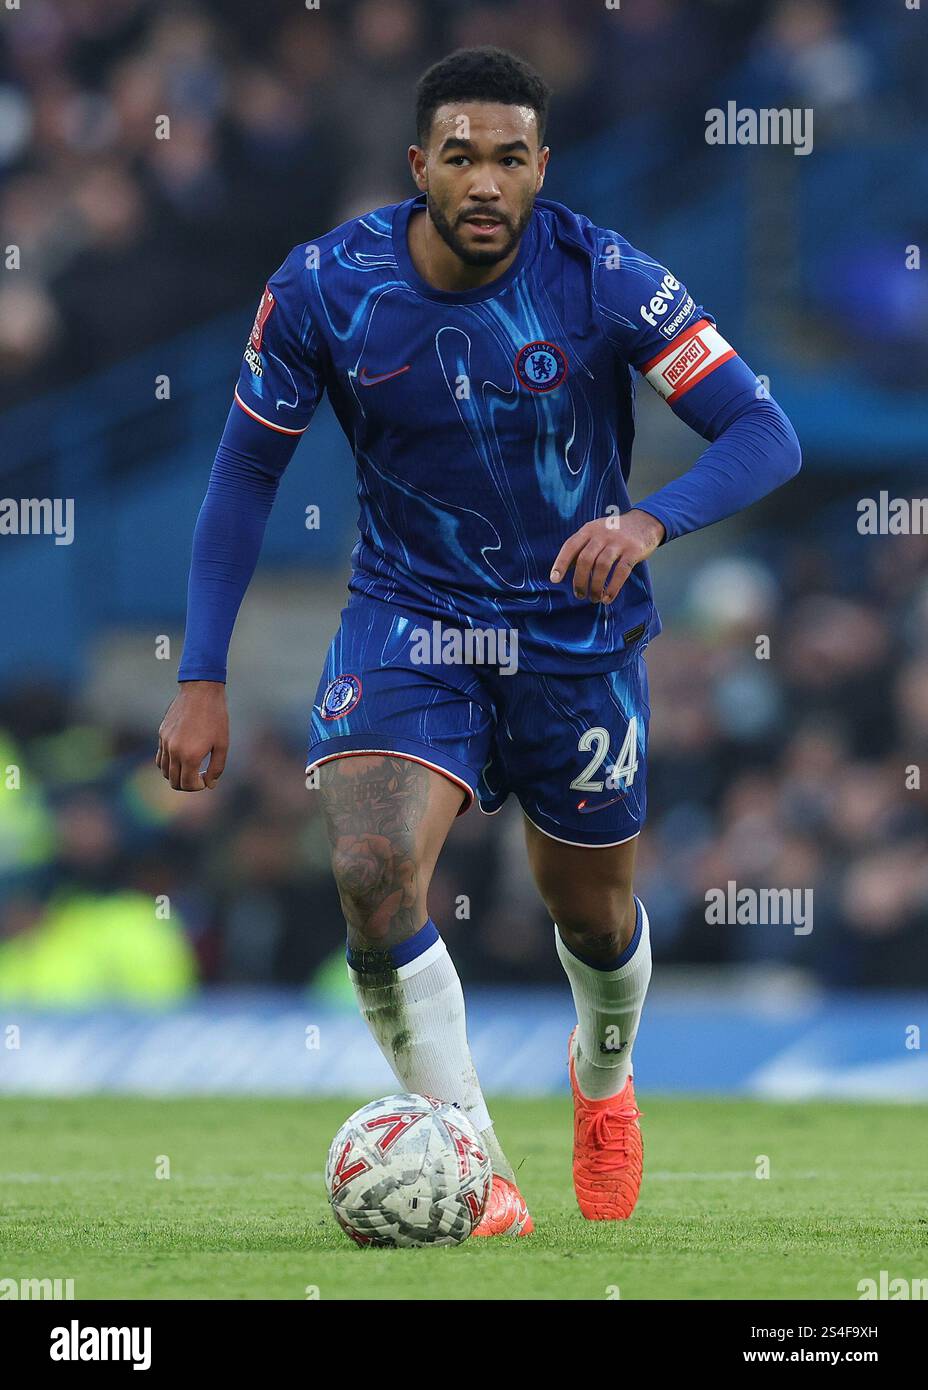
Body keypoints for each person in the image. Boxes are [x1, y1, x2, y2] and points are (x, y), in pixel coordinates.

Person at [157, 46, 801, 1236]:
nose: (488, 181)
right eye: (462, 157)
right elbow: (247, 468)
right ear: (419, 168)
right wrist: (201, 671)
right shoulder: (323, 287)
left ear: (541, 167)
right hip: (412, 620)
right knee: (366, 869)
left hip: (576, 640)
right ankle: (479, 1166)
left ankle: (602, 1082)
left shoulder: (602, 276)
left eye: (511, 157)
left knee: (594, 918)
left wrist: (651, 518)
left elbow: (762, 430)